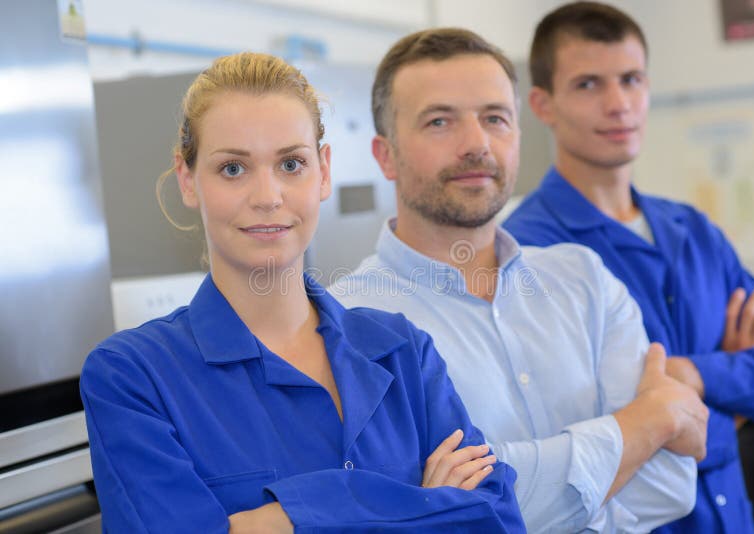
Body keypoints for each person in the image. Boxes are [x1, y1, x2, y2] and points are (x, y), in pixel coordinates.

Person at [79, 52, 525, 533]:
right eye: (233, 168)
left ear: (324, 171)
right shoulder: (133, 377)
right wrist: (423, 504)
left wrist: (288, 517)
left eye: (291, 163)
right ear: (188, 179)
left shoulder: (403, 353)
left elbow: (497, 518)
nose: (268, 196)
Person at [331, 28, 708, 533]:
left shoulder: (587, 281)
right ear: (385, 155)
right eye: (439, 121)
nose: (476, 144)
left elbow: (670, 486)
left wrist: (489, 497)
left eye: (495, 118)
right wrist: (645, 424)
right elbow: (419, 521)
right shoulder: (348, 324)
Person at [502, 2, 754, 533]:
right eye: (589, 84)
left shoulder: (692, 231)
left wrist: (697, 376)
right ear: (543, 104)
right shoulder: (529, 252)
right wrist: (735, 397)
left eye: (631, 79)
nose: (619, 104)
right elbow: (579, 453)